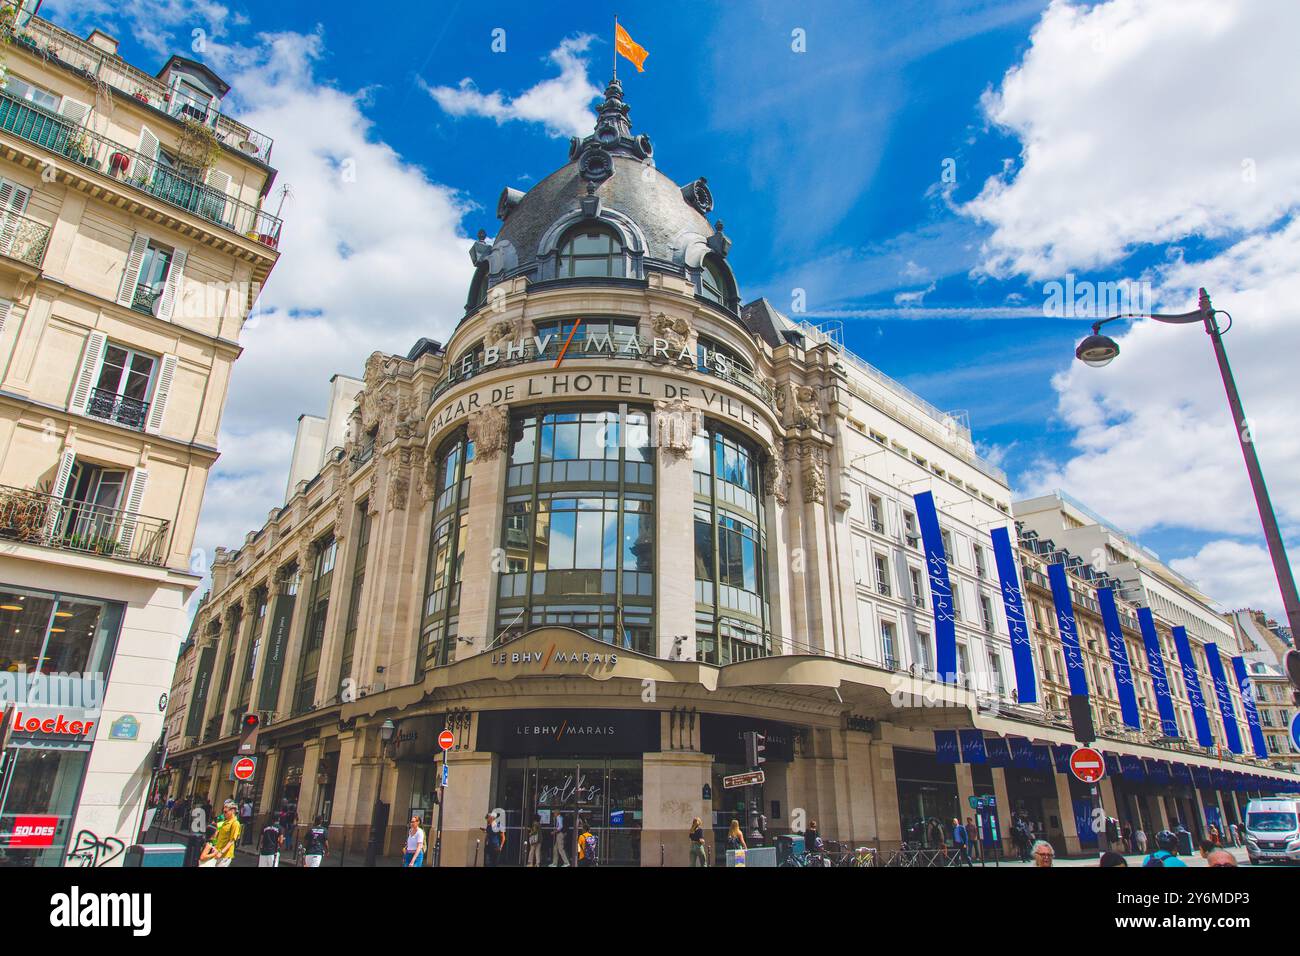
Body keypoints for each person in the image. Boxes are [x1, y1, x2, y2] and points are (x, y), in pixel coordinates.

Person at [208, 800, 242, 868]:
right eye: (223, 811)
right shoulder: (225, 822)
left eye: (225, 812)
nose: (224, 814)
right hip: (217, 852)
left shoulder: (235, 823)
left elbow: (232, 841)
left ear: (232, 811)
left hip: (225, 856)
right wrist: (214, 847)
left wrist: (222, 852)